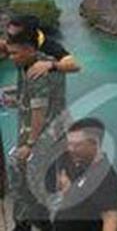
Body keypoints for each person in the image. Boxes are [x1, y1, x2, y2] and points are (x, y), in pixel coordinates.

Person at [6, 27, 70, 231]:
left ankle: (39, 225)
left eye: (15, 53)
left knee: (36, 184)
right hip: (37, 137)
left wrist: (29, 145)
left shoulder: (38, 73)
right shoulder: (25, 64)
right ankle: (26, 224)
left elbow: (39, 113)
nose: (11, 57)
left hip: (42, 141)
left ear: (30, 50)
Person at [52, 118, 117, 231]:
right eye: (70, 144)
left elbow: (110, 218)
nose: (71, 149)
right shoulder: (76, 160)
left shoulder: (105, 177)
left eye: (78, 145)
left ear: (95, 144)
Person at [1, 15, 82, 79]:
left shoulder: (48, 46)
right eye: (9, 33)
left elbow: (75, 66)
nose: (10, 37)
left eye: (15, 35)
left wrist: (51, 65)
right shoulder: (15, 41)